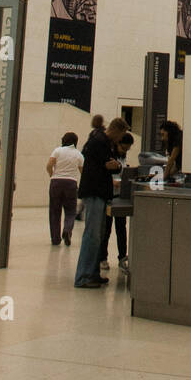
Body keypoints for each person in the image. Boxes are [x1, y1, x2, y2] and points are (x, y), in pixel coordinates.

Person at [74, 117, 127, 288]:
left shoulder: (98, 140)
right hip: (95, 192)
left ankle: (92, 273)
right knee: (93, 235)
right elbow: (109, 165)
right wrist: (114, 166)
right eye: (121, 135)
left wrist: (114, 166)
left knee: (98, 235)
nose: (121, 140)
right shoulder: (100, 142)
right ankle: (83, 276)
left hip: (99, 192)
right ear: (117, 131)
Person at [100, 131, 133, 272]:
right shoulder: (109, 156)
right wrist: (112, 182)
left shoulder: (123, 158)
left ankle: (122, 258)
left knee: (121, 229)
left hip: (120, 196)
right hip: (109, 196)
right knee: (106, 229)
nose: (125, 151)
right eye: (124, 148)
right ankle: (102, 258)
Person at [47, 132, 83, 245]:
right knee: (71, 211)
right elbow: (83, 172)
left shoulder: (57, 150)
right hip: (71, 183)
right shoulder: (78, 154)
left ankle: (55, 239)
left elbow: (49, 165)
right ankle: (67, 230)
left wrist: (52, 175)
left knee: (54, 211)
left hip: (56, 182)